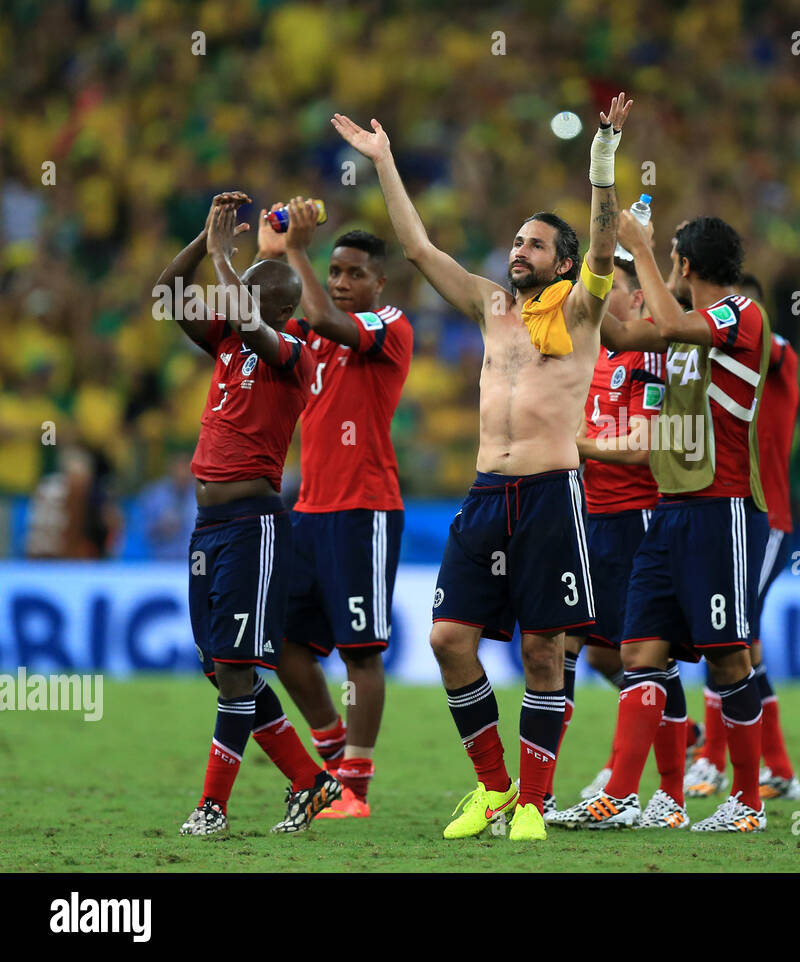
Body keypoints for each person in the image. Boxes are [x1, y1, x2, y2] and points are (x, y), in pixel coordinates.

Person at [331, 93, 632, 842]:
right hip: (487, 492)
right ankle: (496, 789)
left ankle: (533, 800)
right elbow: (420, 251)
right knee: (446, 639)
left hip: (553, 492)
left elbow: (602, 246)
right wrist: (384, 163)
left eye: (533, 245)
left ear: (559, 263)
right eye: (515, 241)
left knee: (541, 649)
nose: (518, 251)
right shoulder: (492, 306)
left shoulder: (580, 312)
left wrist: (603, 156)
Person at [553, 213, 772, 832]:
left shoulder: (739, 315)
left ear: (685, 264)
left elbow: (673, 323)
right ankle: (622, 793)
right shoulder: (677, 330)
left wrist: (641, 249)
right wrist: (586, 272)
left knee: (729, 659)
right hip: (670, 509)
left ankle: (748, 802)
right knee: (640, 649)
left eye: (671, 257)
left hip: (721, 505)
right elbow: (621, 334)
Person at [158, 191, 339, 836]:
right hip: (207, 526)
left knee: (237, 669)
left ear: (281, 310)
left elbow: (246, 314)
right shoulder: (228, 341)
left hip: (253, 526)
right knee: (219, 667)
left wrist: (221, 257)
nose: (232, 304)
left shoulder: (295, 355)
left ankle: (212, 808)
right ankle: (312, 781)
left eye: (249, 298)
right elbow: (167, 291)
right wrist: (203, 241)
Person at [260, 199, 413, 820]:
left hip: (364, 509)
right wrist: (268, 253)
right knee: (285, 644)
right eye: (337, 272)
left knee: (360, 652)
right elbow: (258, 323)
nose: (343, 283)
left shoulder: (390, 326)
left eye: (354, 274)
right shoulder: (310, 333)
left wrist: (295, 248)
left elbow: (318, 314)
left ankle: (357, 786)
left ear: (380, 282)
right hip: (311, 510)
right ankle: (330, 756)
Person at [544, 256, 689, 828]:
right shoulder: (583, 355)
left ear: (636, 301)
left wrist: (575, 444)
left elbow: (644, 446)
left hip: (638, 521)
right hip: (587, 519)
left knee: (650, 657)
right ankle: (541, 791)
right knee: (565, 650)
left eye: (614, 293)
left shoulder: (650, 357)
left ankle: (669, 796)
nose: (600, 302)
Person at [686, 272, 800, 804]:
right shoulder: (716, 365)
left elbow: (760, 340)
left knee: (729, 638)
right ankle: (777, 769)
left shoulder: (776, 350)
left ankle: (712, 758)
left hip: (767, 515)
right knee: (743, 641)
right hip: (732, 511)